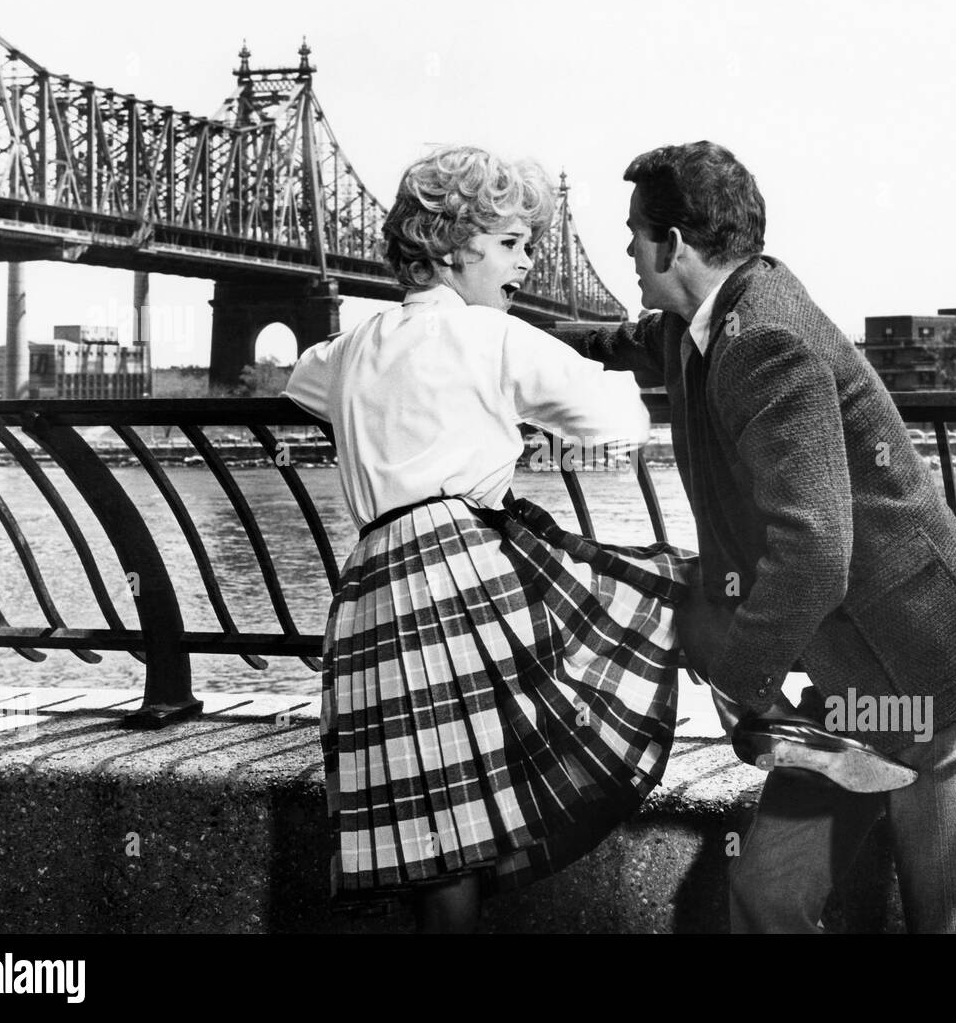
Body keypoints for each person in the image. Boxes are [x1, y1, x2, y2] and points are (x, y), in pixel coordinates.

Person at [569, 140, 956, 934]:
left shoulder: (765, 339)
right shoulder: (691, 329)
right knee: (767, 895)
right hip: (844, 693)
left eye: (634, 232)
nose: (626, 249)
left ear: (673, 244)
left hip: (931, 676)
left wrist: (739, 679)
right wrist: (500, 330)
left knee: (952, 924)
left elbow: (813, 554)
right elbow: (620, 342)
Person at [282, 145, 693, 933]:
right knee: (647, 601)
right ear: (449, 245)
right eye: (511, 243)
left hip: (368, 594)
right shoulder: (495, 339)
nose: (530, 264)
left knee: (431, 830)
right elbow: (620, 421)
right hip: (459, 575)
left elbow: (301, 381)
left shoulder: (352, 347)